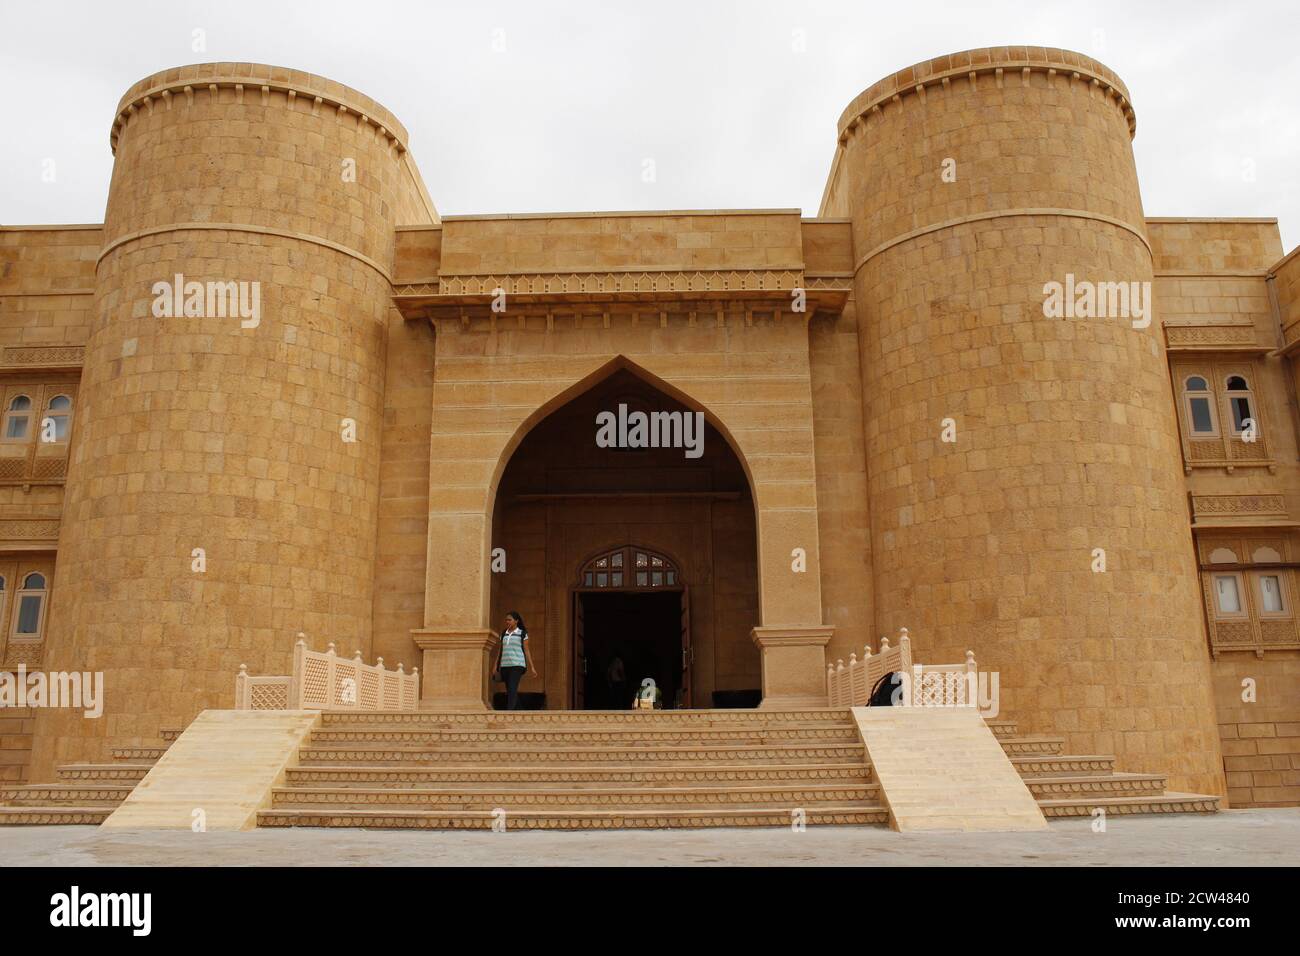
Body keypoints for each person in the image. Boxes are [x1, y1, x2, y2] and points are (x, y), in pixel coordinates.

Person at [493, 611, 537, 710]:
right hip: (505, 665)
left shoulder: (522, 633)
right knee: (510, 691)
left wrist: (532, 667)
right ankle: (520, 711)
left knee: (512, 689)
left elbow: (527, 650)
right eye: (506, 620)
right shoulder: (504, 633)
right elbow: (500, 650)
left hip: (517, 665)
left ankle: (509, 713)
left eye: (509, 620)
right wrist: (495, 665)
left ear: (516, 621)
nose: (507, 621)